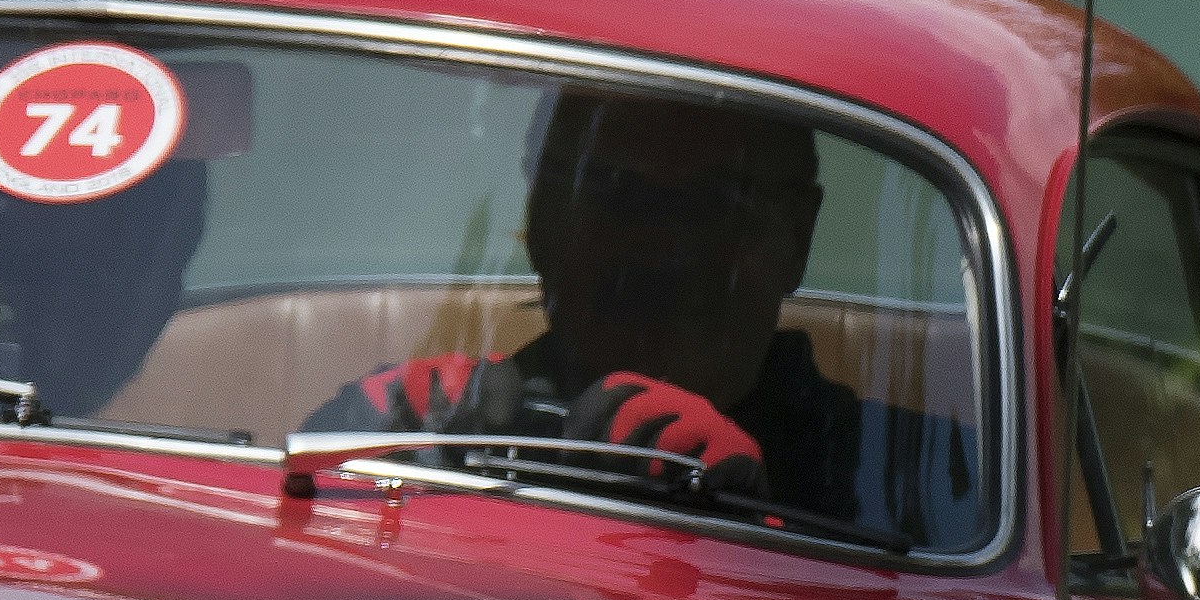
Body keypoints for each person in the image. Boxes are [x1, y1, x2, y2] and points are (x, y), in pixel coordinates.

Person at [301, 88, 862, 511]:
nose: (657, 246)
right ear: (541, 221)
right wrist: (365, 461)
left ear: (796, 238)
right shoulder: (414, 420)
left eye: (714, 206)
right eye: (611, 194)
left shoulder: (887, 481)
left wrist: (764, 522)